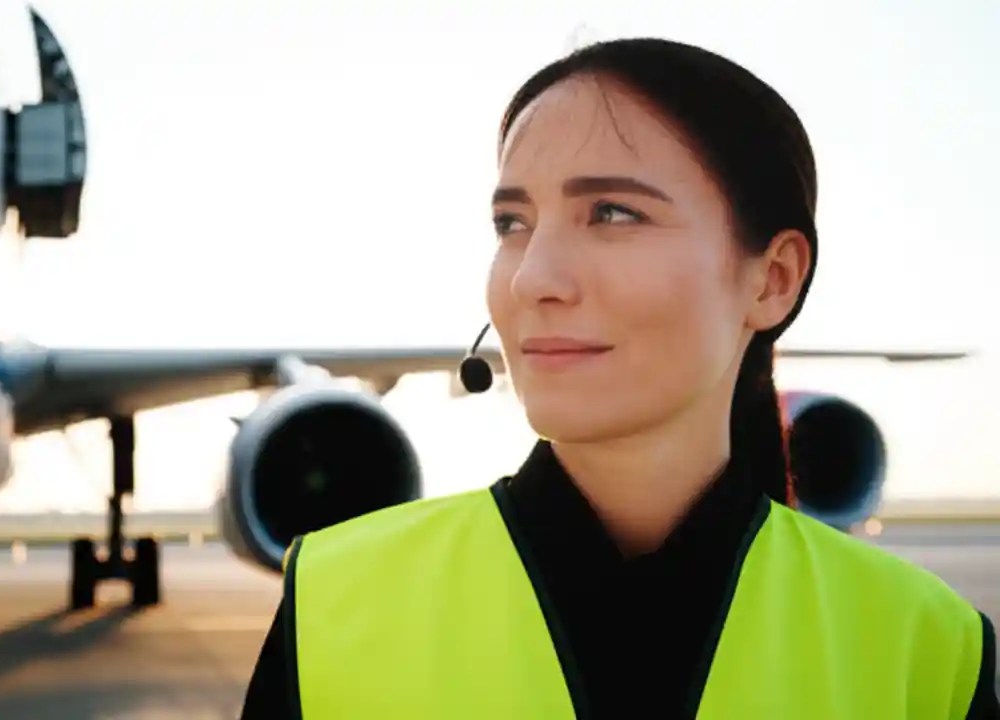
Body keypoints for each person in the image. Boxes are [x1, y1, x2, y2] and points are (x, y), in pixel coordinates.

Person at [240, 37, 999, 719]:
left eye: (612, 213)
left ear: (771, 279)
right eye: (512, 224)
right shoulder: (332, 603)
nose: (533, 277)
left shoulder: (930, 650)